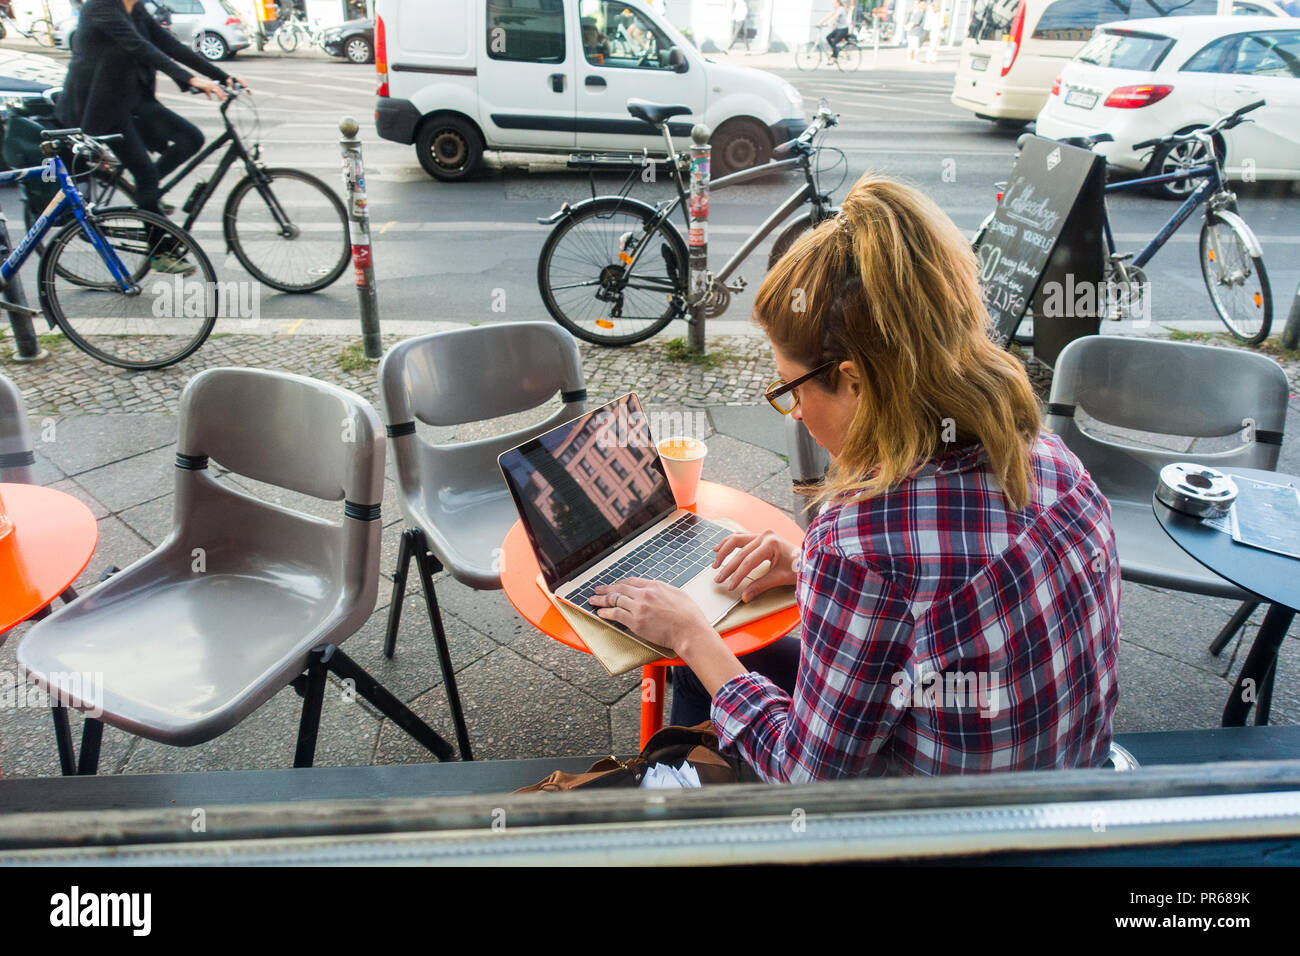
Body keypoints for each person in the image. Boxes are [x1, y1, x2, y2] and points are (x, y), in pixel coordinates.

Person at [588, 172, 1121, 782]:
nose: (792, 411)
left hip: (946, 837)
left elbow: (809, 776)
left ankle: (681, 792)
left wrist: (691, 633)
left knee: (699, 663)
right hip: (1072, 789)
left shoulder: (862, 538)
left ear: (855, 381)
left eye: (789, 388)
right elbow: (933, 596)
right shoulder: (1051, 460)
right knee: (718, 659)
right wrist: (806, 564)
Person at [58, 0, 248, 270]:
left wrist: (221, 76)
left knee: (190, 138)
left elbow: (169, 45)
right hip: (102, 105)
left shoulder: (134, 9)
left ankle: (147, 196)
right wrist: (190, 79)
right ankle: (160, 252)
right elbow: (140, 46)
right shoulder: (101, 7)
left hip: (132, 97)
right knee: (146, 175)